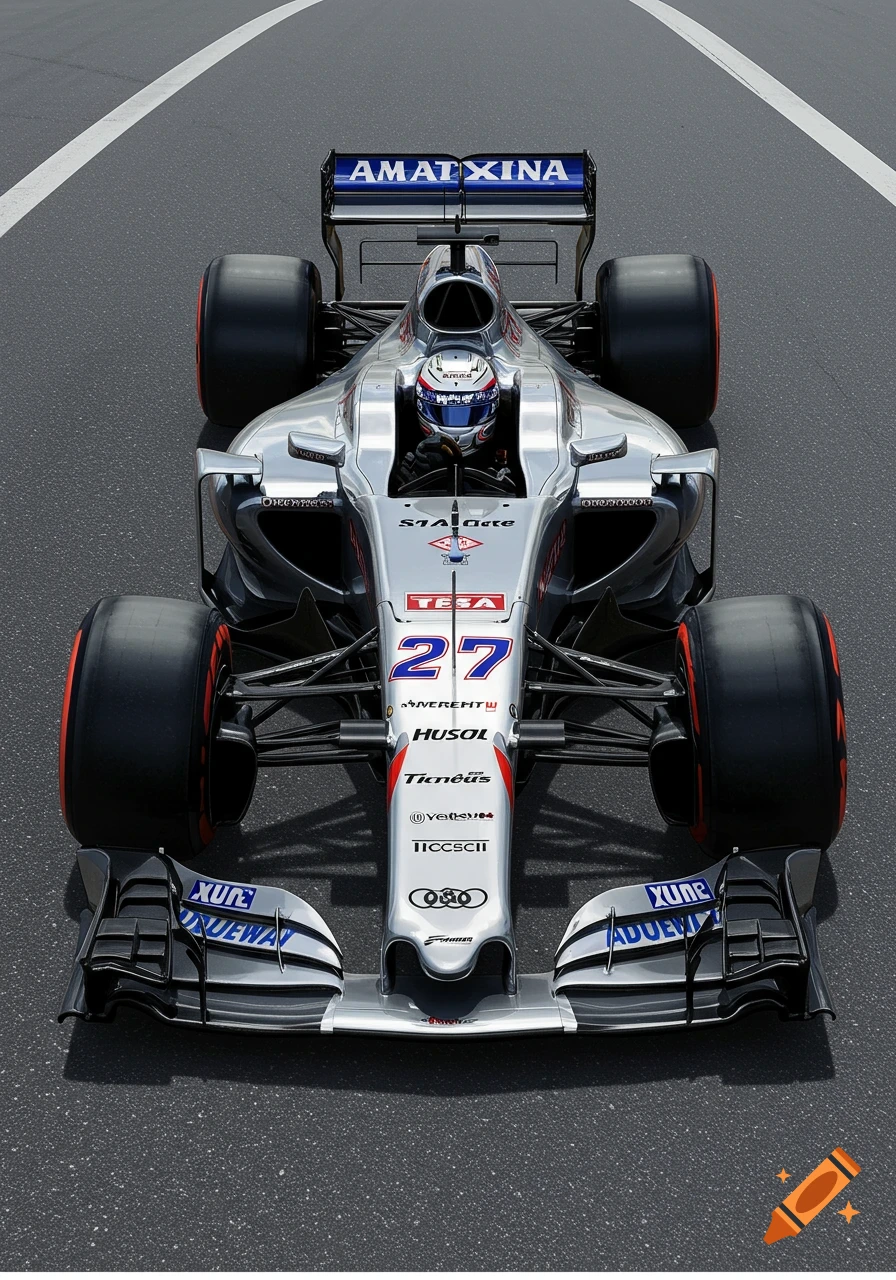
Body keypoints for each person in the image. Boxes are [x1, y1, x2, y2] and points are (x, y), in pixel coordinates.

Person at [397, 349, 511, 487]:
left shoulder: (509, 448)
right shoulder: (409, 458)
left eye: (466, 412)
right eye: (445, 412)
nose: (456, 423)